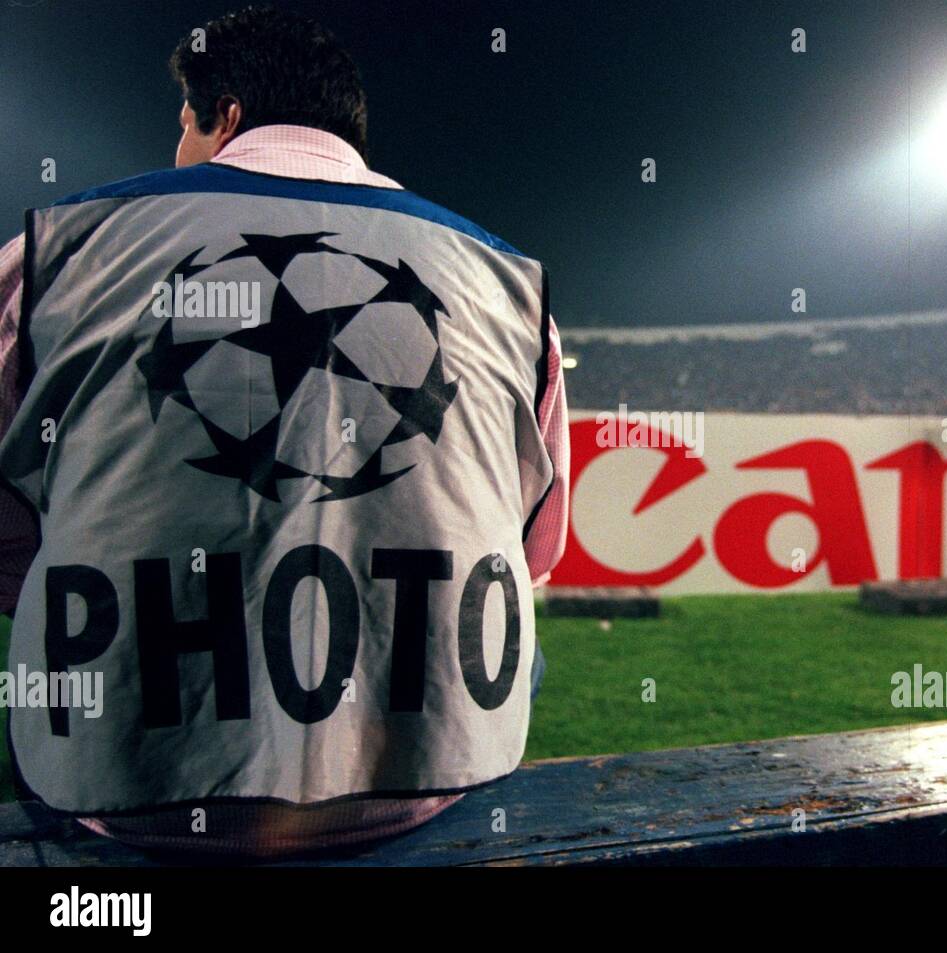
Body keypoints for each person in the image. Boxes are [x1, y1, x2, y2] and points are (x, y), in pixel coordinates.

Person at [0, 6, 569, 857]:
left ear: (223, 116)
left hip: (121, 795)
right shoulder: (513, 284)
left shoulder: (54, 251)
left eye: (183, 127)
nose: (177, 153)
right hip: (433, 788)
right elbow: (535, 550)